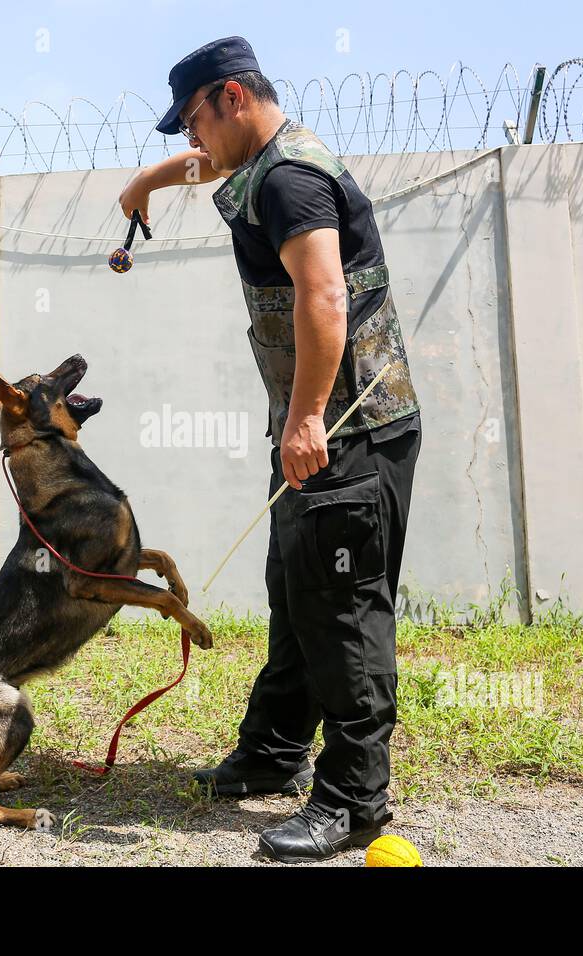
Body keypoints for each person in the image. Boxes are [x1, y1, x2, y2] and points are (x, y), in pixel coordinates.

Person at [119, 36, 422, 863]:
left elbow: (322, 294)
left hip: (346, 428)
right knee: (295, 590)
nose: (193, 142)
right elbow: (217, 170)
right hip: (325, 424)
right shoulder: (268, 158)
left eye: (194, 121)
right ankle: (275, 751)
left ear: (232, 98)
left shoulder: (288, 179)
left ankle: (355, 800)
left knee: (342, 609)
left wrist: (306, 417)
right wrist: (148, 181)